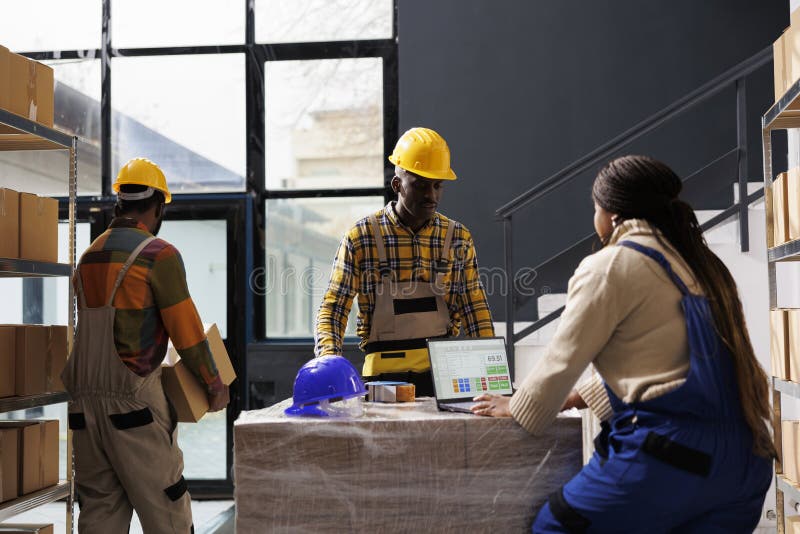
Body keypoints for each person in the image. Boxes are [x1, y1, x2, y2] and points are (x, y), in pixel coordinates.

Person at [472, 155, 774, 532]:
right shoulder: (701, 264)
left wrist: (520, 407)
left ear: (611, 214)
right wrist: (576, 398)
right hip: (746, 460)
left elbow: (561, 360)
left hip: (672, 457)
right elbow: (671, 361)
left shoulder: (612, 264)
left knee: (555, 526)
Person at [61, 158, 230, 534]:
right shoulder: (159, 255)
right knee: (167, 512)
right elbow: (187, 332)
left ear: (120, 203)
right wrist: (214, 384)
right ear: (158, 206)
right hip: (133, 410)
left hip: (83, 410)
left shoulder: (89, 257)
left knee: (100, 512)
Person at [315, 127, 495, 396]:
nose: (431, 196)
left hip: (445, 377)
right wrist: (329, 366)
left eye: (437, 185)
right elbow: (333, 309)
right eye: (420, 185)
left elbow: (474, 307)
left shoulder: (457, 237)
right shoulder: (361, 238)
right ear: (397, 185)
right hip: (382, 383)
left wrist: (493, 377)